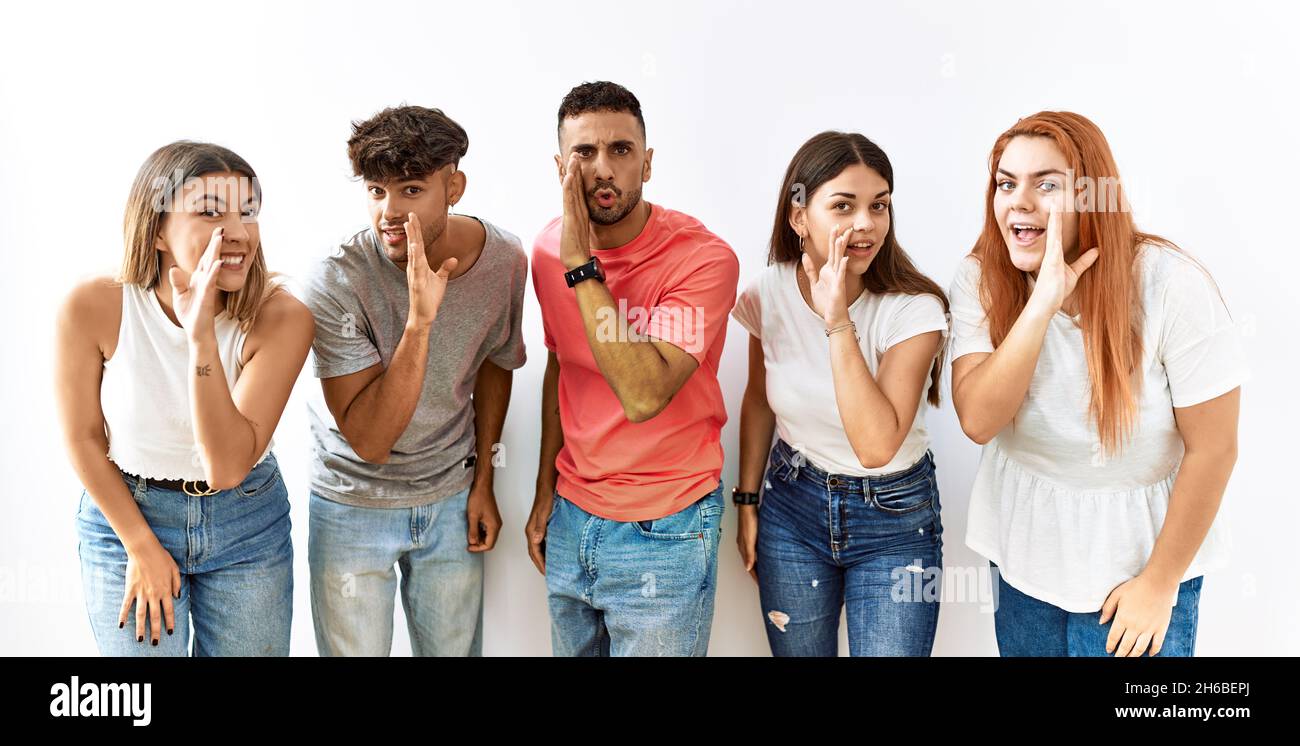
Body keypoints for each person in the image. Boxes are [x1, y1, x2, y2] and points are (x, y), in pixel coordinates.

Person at [948, 111, 1246, 656]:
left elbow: (1215, 449)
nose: (1019, 201)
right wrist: (1042, 303)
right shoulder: (980, 278)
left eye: (1047, 185)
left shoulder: (1170, 286)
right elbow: (978, 420)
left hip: (1139, 564)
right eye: (1006, 183)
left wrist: (1158, 585)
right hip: (1024, 557)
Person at [57, 140, 314, 655]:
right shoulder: (94, 305)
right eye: (210, 212)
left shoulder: (282, 318)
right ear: (156, 231)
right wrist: (140, 544)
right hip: (127, 514)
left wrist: (200, 337)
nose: (239, 233)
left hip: (245, 523)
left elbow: (226, 467)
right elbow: (84, 439)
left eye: (248, 212)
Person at [301, 105, 527, 656]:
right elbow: (371, 441)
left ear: (454, 185)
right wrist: (419, 323)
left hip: (450, 497)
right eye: (377, 191)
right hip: (353, 502)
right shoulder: (337, 278)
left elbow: (498, 361)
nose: (389, 212)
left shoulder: (504, 261)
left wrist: (482, 484)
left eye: (410, 190)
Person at [526, 81, 739, 656]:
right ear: (559, 166)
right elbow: (561, 366)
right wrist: (546, 489)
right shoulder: (544, 253)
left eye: (620, 150)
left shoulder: (704, 259)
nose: (603, 169)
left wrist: (581, 266)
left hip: (666, 527)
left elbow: (642, 393)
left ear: (647, 161)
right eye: (584, 153)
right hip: (573, 518)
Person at [732, 131, 949, 656]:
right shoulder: (769, 292)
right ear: (799, 216)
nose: (865, 224)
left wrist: (837, 321)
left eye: (879, 206)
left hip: (894, 520)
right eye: (844, 206)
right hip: (792, 506)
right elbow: (759, 398)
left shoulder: (915, 309)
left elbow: (876, 444)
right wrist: (746, 500)